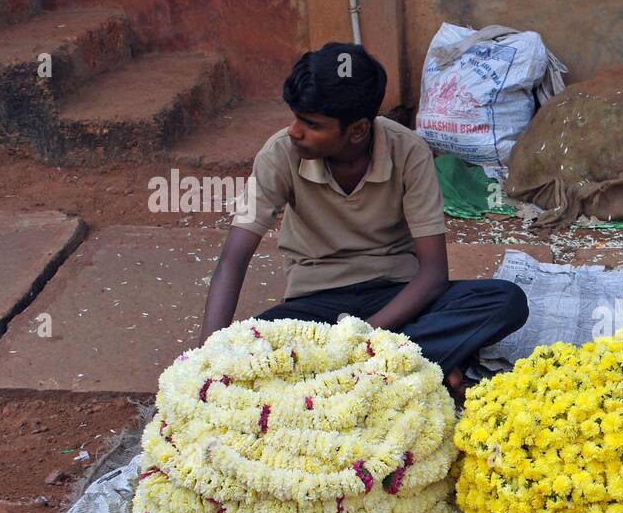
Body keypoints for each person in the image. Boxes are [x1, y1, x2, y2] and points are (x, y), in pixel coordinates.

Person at [199, 42, 528, 399]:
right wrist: (204, 363)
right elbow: (233, 260)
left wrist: (360, 339)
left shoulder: (409, 151)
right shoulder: (279, 153)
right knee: (250, 348)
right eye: (295, 117)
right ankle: (406, 368)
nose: (295, 131)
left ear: (356, 130)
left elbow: (433, 276)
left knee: (506, 301)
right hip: (313, 305)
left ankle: (337, 378)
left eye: (311, 124)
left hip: (397, 300)